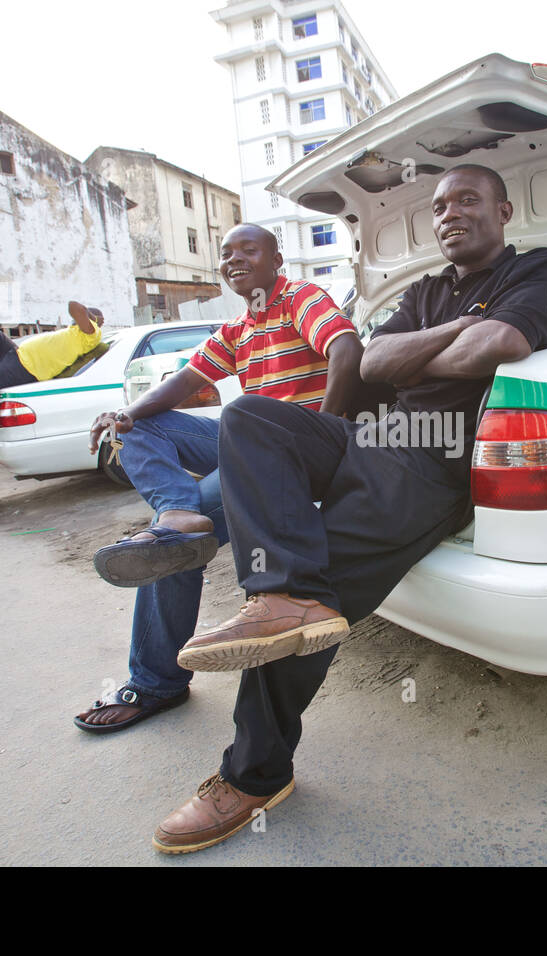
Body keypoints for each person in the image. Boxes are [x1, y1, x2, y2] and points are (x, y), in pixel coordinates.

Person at [149, 165, 547, 853]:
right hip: (371, 439)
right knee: (252, 419)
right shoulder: (432, 290)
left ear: (504, 208)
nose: (450, 214)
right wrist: (456, 330)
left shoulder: (540, 271)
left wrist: (434, 347)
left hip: (428, 468)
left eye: (467, 200)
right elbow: (373, 362)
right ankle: (282, 593)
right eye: (439, 206)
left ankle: (254, 775)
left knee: (306, 611)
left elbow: (501, 345)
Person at [73, 222, 363, 734]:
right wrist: (124, 413)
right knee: (141, 425)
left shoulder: (300, 297)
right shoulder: (236, 330)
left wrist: (330, 425)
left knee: (166, 547)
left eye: (248, 250)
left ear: (277, 260)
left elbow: (346, 350)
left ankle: (156, 682)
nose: (233, 260)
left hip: (297, 455)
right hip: (251, 446)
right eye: (225, 255)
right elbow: (183, 383)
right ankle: (177, 516)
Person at [0, 303, 104, 476]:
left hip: (26, 367)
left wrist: (89, 315)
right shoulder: (73, 332)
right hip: (16, 354)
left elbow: (74, 307)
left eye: (94, 318)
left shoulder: (92, 335)